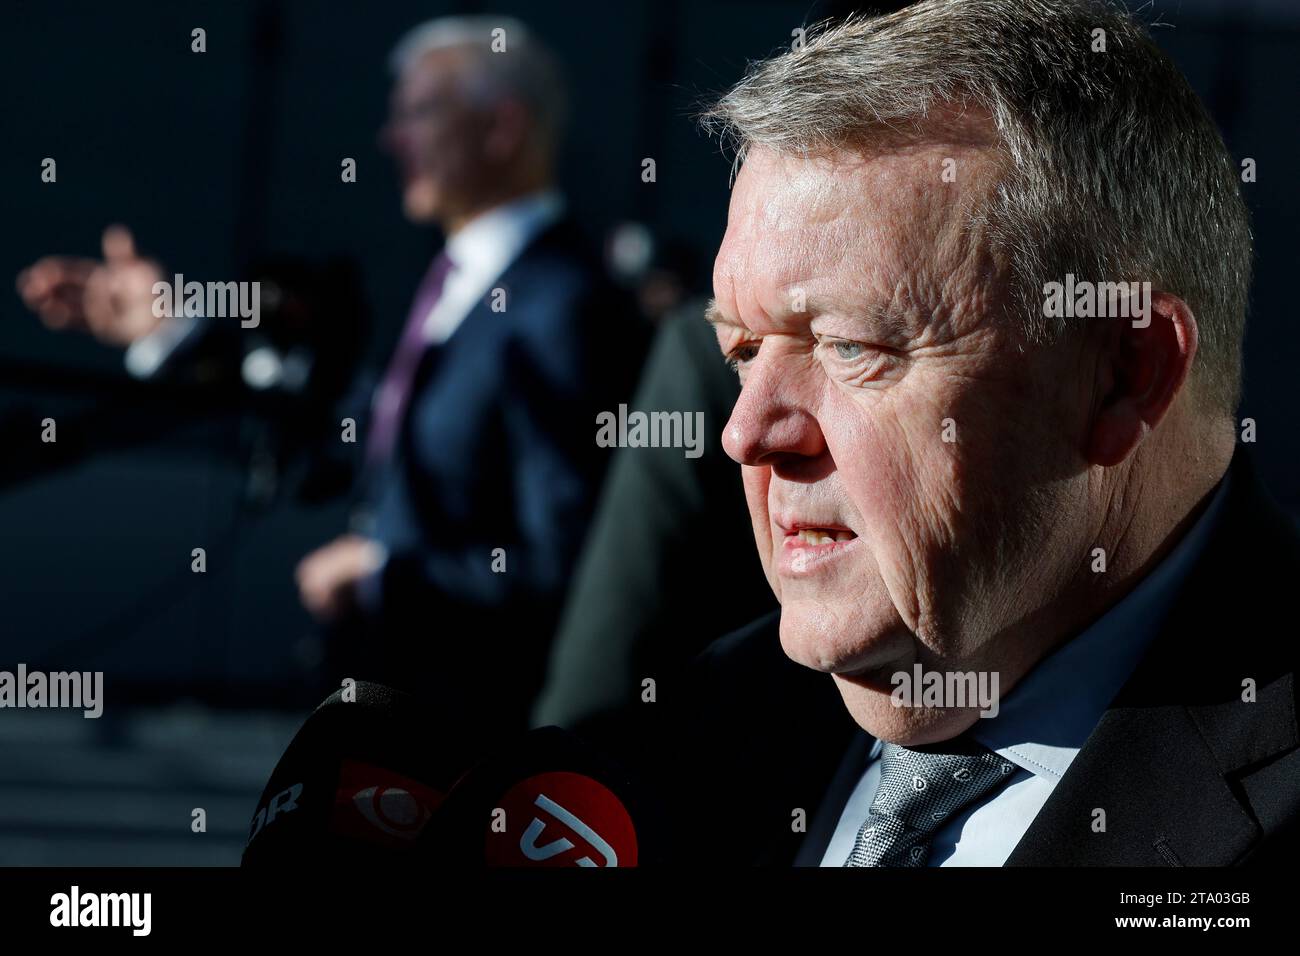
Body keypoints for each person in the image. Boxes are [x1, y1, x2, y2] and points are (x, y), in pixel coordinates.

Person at [618, 0, 1300, 867]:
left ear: (1123, 375)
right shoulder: (684, 738)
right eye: (744, 350)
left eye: (849, 346)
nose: (749, 434)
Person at [17, 16, 645, 736]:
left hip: (472, 740)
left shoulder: (563, 306)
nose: (391, 137)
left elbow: (571, 565)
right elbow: (392, 431)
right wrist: (173, 330)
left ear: (502, 127)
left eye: (417, 112)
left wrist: (382, 573)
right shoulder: (467, 279)